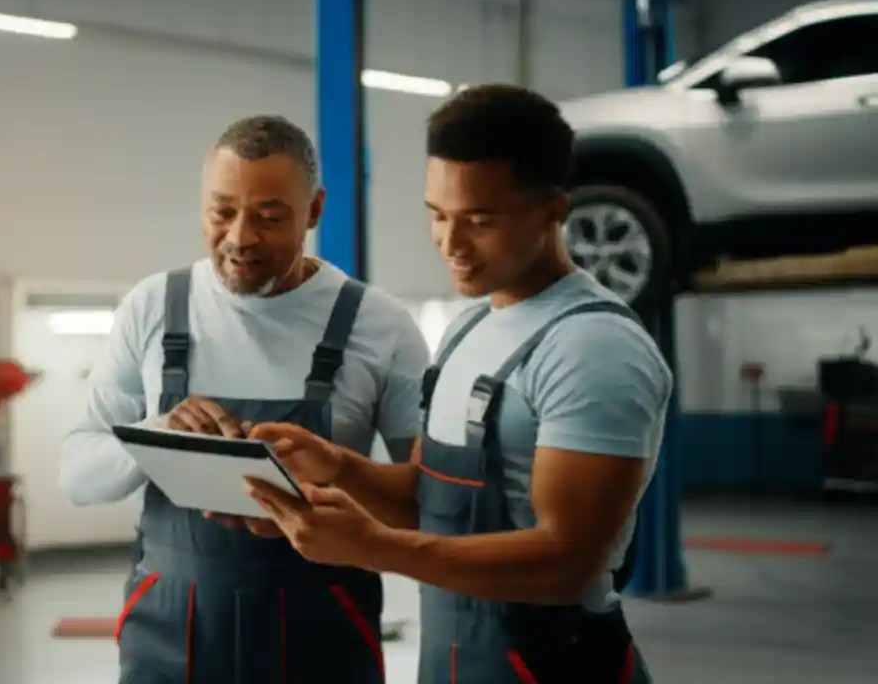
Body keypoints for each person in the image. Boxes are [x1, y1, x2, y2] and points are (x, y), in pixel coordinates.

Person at [245, 84, 670, 684]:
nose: (451, 244)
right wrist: (335, 467)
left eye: (479, 220)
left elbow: (568, 563)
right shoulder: (468, 328)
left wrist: (371, 548)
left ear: (554, 209)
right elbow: (426, 502)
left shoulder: (594, 348)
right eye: (438, 215)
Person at [60, 115, 430, 683]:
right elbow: (78, 478)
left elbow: (429, 500)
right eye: (221, 211)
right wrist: (156, 436)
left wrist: (335, 483)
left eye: (269, 216)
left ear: (314, 211)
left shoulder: (378, 324)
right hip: (171, 636)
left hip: (322, 634)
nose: (239, 237)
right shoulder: (154, 306)